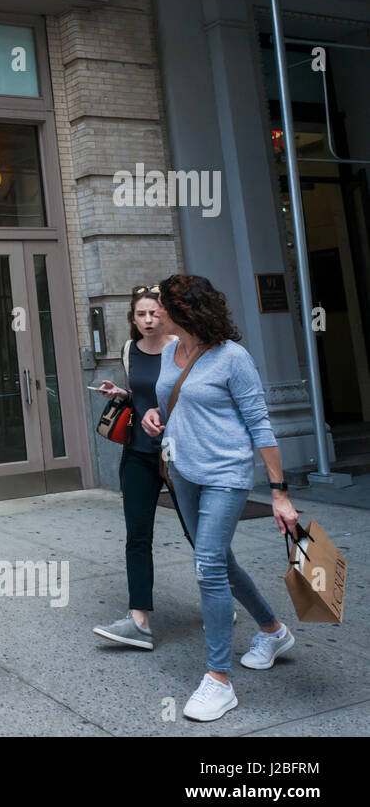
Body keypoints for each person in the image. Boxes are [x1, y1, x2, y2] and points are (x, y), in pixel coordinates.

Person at [140, 274, 299, 723]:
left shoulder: (233, 358)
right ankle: (272, 630)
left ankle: (219, 680)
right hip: (184, 471)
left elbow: (261, 425)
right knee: (220, 561)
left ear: (181, 310)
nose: (156, 313)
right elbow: (173, 402)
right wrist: (156, 415)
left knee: (207, 564)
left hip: (226, 475)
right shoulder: (173, 351)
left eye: (162, 306)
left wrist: (278, 493)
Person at [91, 285, 186, 649]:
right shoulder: (130, 350)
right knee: (137, 536)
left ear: (165, 314)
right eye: (141, 314)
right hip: (138, 451)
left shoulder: (182, 347)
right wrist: (122, 394)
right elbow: (143, 393)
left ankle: (221, 603)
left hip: (179, 454)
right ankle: (139, 621)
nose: (148, 320)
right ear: (133, 318)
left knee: (198, 535)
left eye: (154, 313)